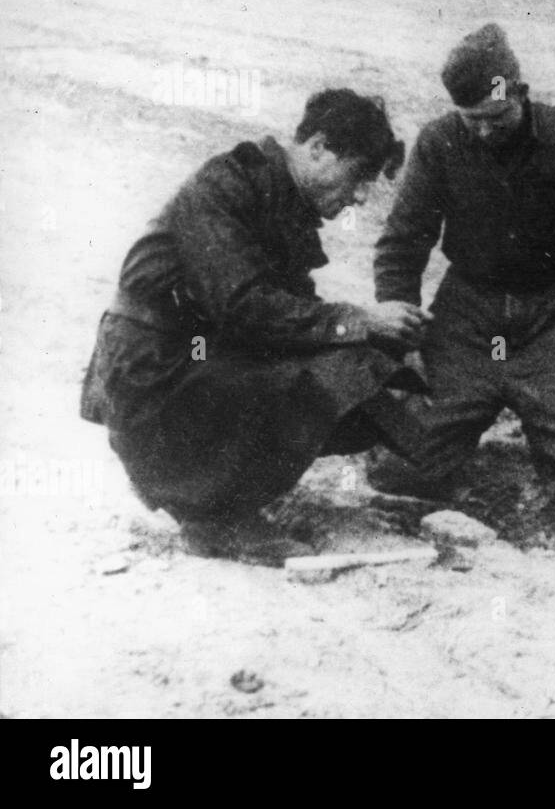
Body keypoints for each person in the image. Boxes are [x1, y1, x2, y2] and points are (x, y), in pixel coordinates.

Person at [80, 89, 432, 565]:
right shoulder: (225, 186)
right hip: (152, 374)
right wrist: (359, 321)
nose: (362, 195)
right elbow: (245, 307)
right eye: (359, 174)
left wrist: (380, 338)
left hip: (192, 358)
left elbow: (292, 312)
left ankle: (209, 492)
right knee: (330, 370)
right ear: (319, 148)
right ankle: (216, 517)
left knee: (358, 363)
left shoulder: (278, 196)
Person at [369, 23, 555, 495]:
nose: (486, 131)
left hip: (551, 319)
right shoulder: (439, 142)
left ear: (522, 93)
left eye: (498, 116)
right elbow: (402, 244)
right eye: (473, 120)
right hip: (466, 316)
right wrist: (405, 335)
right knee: (403, 469)